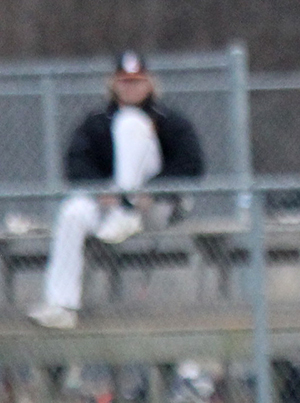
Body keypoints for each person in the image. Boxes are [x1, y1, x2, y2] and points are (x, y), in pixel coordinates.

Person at [28, 51, 205, 331]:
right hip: (109, 205)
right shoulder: (96, 121)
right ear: (113, 84)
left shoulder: (169, 119)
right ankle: (61, 305)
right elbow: (75, 163)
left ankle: (127, 209)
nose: (130, 87)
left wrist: (153, 193)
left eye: (136, 81)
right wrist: (101, 192)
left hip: (155, 206)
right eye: (124, 81)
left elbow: (191, 163)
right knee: (72, 212)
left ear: (149, 83)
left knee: (132, 124)